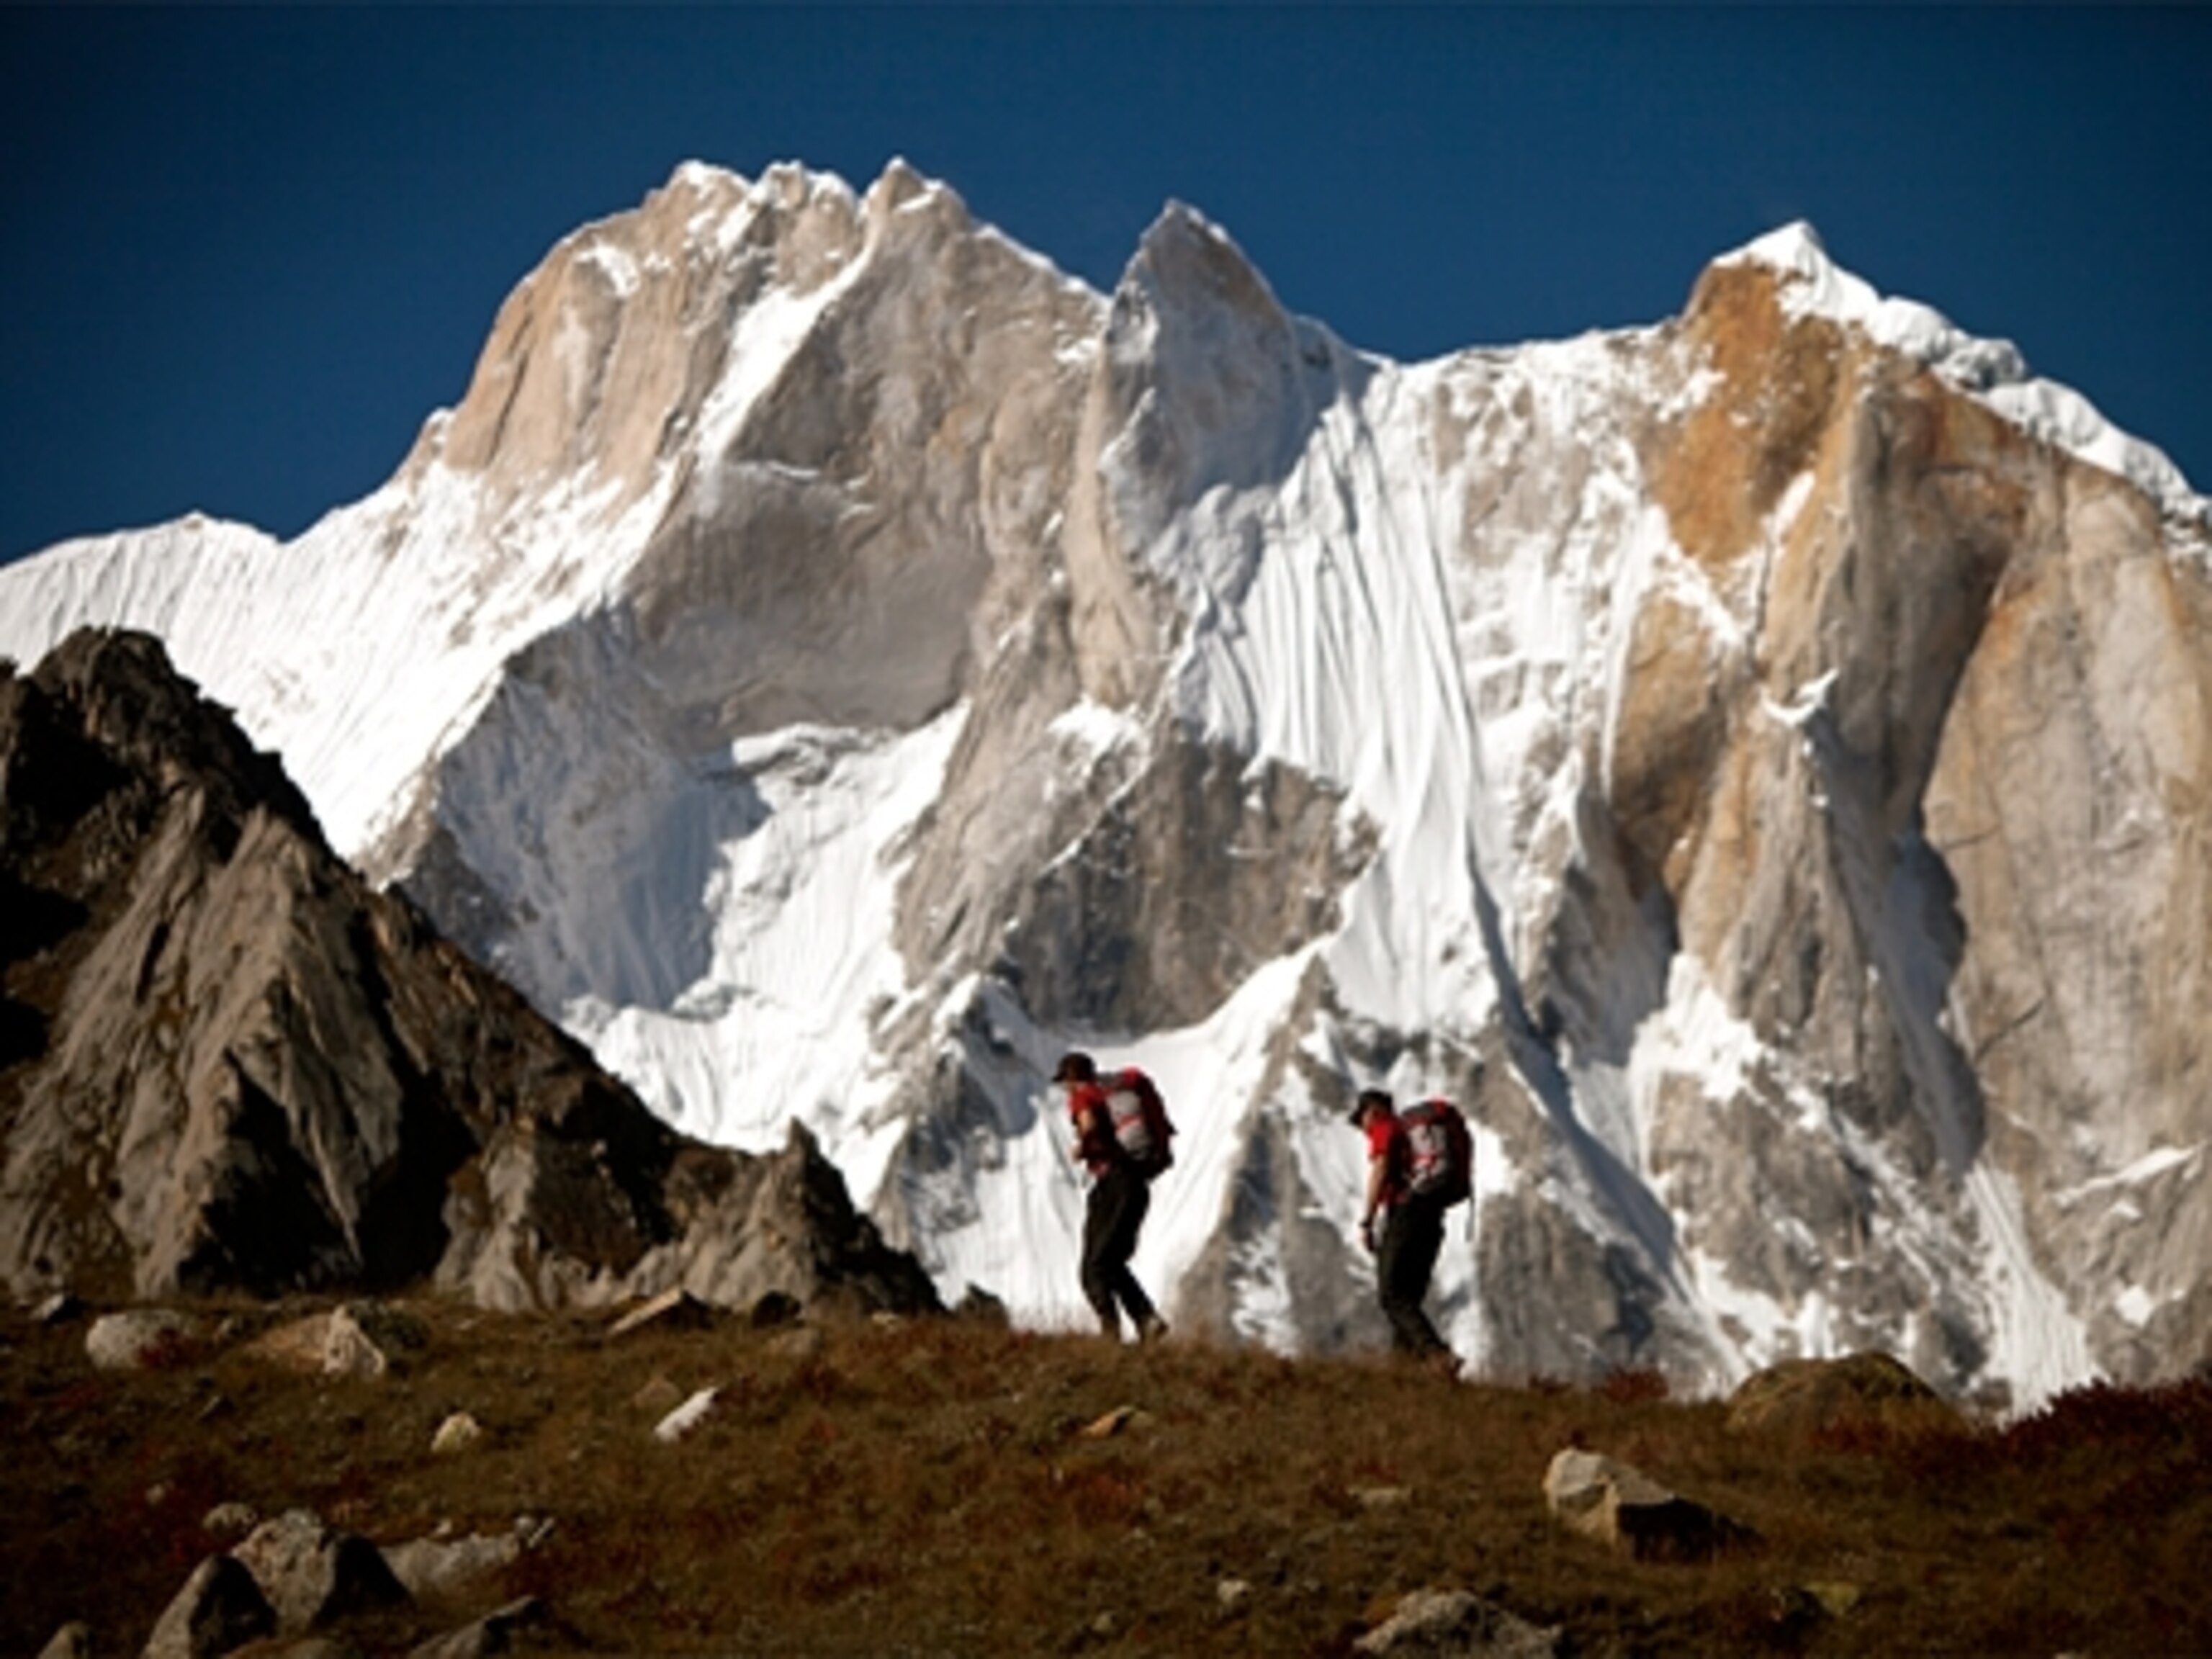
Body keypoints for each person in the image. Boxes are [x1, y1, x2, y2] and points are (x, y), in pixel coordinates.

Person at [1056, 1051, 1168, 1343]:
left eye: (1064, 1084)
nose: (1065, 1091)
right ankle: (1147, 1321)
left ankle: (1111, 1335)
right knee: (1112, 1261)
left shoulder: (1083, 1095)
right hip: (1136, 1186)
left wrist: (1083, 1145)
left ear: (1071, 1080)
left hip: (1114, 1185)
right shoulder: (1111, 1092)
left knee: (1094, 1266)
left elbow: (1089, 1123)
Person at [1350, 1087, 1455, 1367]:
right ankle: (1403, 1370)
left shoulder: (1384, 1127)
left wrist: (1367, 1221)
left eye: (1361, 1121)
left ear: (1371, 1112)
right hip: (1432, 1218)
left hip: (1407, 1214)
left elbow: (1381, 1168)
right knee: (1408, 1297)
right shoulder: (1412, 1137)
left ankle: (1437, 1356)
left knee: (1391, 1293)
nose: (1363, 1129)